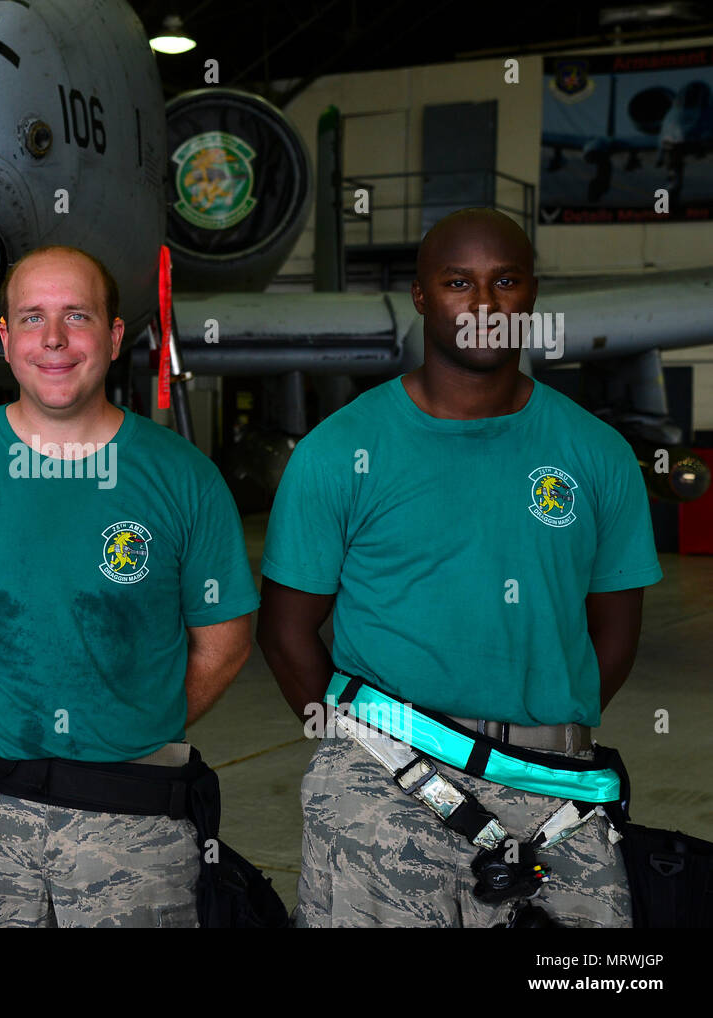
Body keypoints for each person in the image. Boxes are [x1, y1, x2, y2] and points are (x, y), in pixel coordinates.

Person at [258, 207, 661, 928]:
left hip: (556, 793)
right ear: (421, 296)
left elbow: (615, 638)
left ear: (532, 293)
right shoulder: (338, 452)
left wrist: (533, 727)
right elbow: (286, 633)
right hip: (382, 791)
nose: (482, 305)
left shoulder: (596, 455)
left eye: (504, 281)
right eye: (456, 283)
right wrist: (369, 754)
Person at [0, 245, 258, 927]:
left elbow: (223, 643)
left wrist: (130, 724)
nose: (53, 340)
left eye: (76, 316)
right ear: (6, 338)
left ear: (112, 336)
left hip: (134, 819)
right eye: (32, 318)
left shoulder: (183, 478)